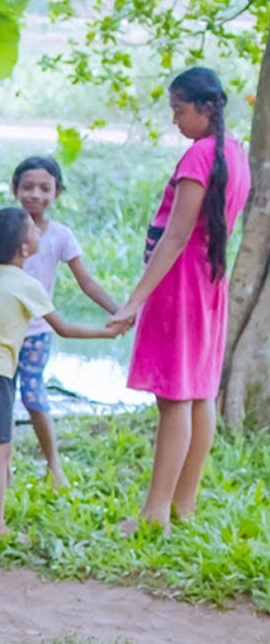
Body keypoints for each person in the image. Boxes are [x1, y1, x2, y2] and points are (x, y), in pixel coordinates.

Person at [108, 67, 251, 533]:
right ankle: (182, 506)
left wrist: (133, 301)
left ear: (204, 108)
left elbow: (176, 236)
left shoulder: (199, 157)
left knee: (174, 399)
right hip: (210, 282)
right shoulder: (235, 153)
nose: (174, 119)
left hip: (181, 282)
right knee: (198, 393)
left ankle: (154, 514)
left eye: (178, 109)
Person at [0, 208, 121, 535]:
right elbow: (63, 329)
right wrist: (107, 333)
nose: (37, 229)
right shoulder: (28, 285)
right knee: (0, 447)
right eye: (31, 228)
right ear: (24, 250)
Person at [6, 156, 119, 489]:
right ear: (15, 190)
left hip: (37, 332)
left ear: (57, 193)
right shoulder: (5, 227)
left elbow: (86, 280)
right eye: (28, 187)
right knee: (1, 397)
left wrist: (118, 309)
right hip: (1, 333)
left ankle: (54, 464)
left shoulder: (60, 236)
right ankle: (3, 464)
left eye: (45, 188)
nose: (35, 195)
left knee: (33, 396)